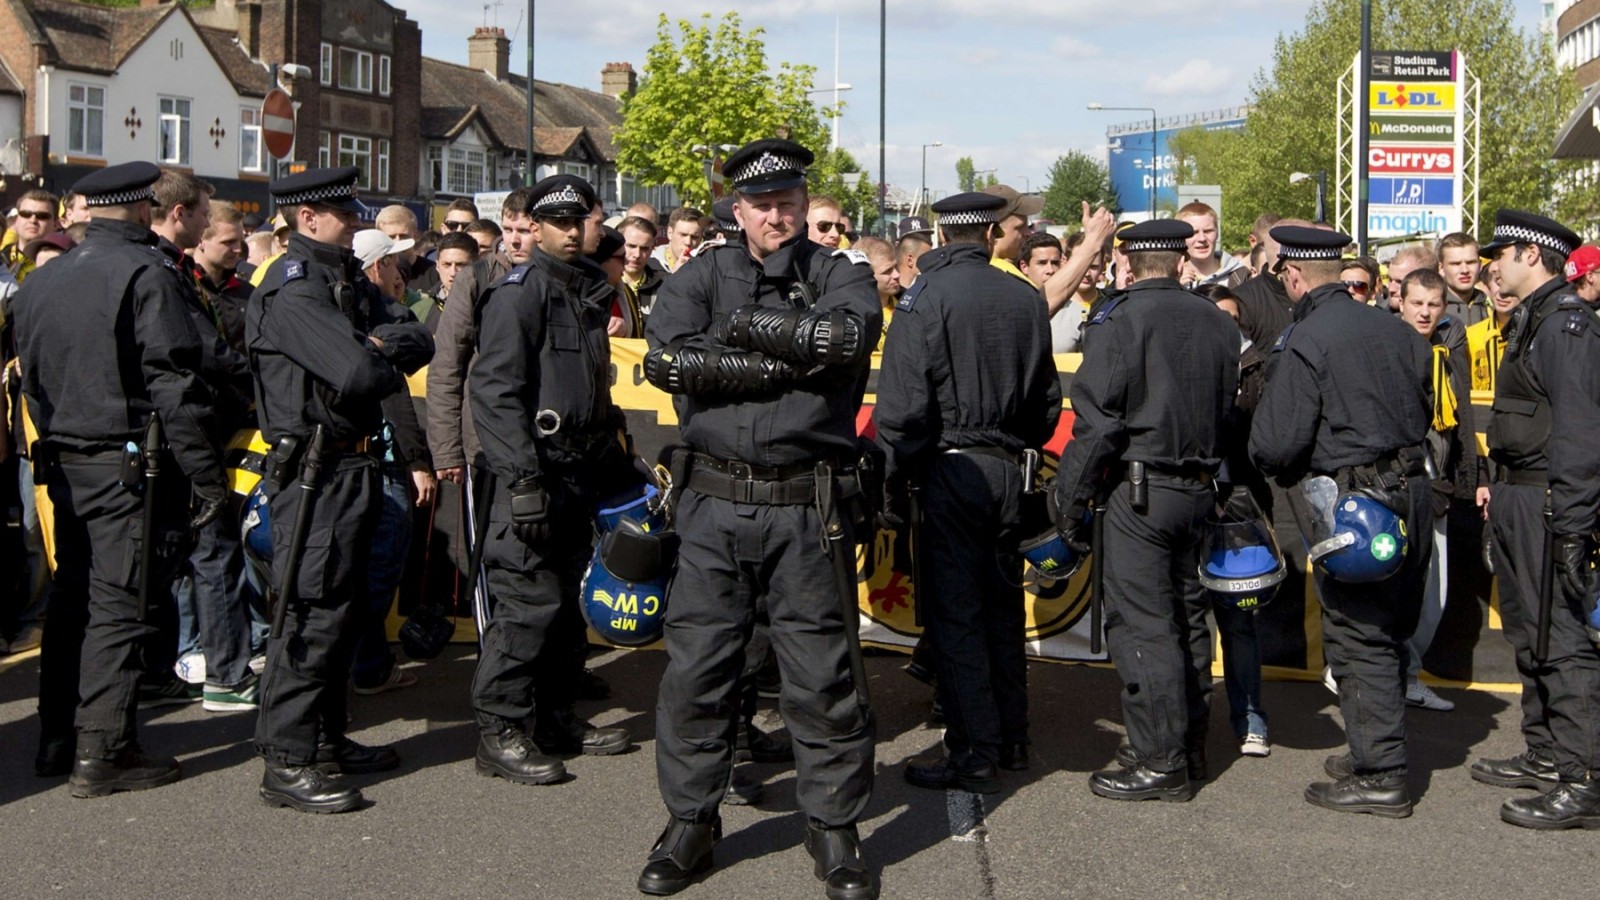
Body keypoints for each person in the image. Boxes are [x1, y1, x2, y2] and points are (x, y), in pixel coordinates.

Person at [640, 138, 881, 899]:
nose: (778, 215)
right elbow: (666, 363)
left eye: (789, 202)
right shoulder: (699, 274)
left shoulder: (841, 273)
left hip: (809, 506)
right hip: (712, 502)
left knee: (822, 675)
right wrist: (789, 355)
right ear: (735, 209)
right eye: (762, 204)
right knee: (699, 672)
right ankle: (690, 820)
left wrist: (733, 336)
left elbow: (846, 338)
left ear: (807, 205)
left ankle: (834, 827)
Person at [14, 161, 228, 790]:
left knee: (73, 603)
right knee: (118, 607)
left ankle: (60, 738)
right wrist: (206, 475)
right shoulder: (146, 273)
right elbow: (174, 382)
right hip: (126, 463)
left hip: (67, 457)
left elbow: (30, 380)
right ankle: (104, 749)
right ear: (142, 209)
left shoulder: (42, 281)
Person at [246, 166, 434, 814]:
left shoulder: (344, 279)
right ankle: (288, 759)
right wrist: (377, 348)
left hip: (352, 468)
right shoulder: (292, 289)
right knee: (311, 615)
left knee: (346, 613)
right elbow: (360, 372)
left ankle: (326, 740)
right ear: (306, 218)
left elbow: (418, 336)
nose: (356, 221)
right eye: (343, 212)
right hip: (314, 473)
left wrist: (378, 342)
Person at [877, 191, 1061, 793]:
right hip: (1010, 466)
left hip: (952, 469)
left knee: (957, 614)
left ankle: (973, 752)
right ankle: (1011, 738)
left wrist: (898, 471)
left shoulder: (923, 299)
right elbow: (1046, 403)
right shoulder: (1023, 297)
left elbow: (902, 411)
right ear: (987, 235)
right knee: (1002, 609)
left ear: (939, 236)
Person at [1250, 225, 1434, 818]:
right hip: (1412, 489)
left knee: (1359, 636)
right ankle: (1368, 751)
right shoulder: (1396, 327)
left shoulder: (1304, 338)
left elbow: (1277, 443)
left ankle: (1380, 772)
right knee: (1387, 627)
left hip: (1357, 502)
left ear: (1295, 277)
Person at [1053, 219, 1238, 803]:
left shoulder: (1119, 317)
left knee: (1142, 627)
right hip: (1198, 488)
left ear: (1128, 264)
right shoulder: (1216, 320)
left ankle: (1159, 760)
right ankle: (1188, 745)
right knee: (1187, 622)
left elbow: (1098, 422)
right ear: (1182, 261)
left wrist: (1069, 502)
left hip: (1141, 489)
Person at [468, 174, 637, 787]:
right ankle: (501, 729)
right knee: (526, 603)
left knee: (564, 601)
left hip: (578, 469)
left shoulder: (585, 290)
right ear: (534, 227)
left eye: (578, 221)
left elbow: (590, 388)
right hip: (534, 472)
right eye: (557, 222)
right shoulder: (521, 292)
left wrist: (620, 458)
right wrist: (521, 481)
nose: (570, 232)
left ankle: (554, 714)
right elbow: (494, 393)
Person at [1475, 210, 1600, 830]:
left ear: (1532, 254)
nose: (1491, 265)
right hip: (1519, 494)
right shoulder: (1536, 319)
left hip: (1549, 499)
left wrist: (1574, 524)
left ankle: (1584, 780)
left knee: (1561, 640)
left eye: (1500, 253)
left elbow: (1580, 431)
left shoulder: (1566, 326)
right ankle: (1548, 751)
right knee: (1530, 633)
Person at [149, 170, 258, 712]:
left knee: (168, 558)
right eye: (207, 219)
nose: (236, 249)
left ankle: (154, 671)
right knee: (213, 557)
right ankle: (227, 675)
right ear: (182, 215)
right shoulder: (163, 274)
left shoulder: (162, 270)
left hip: (183, 434)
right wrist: (255, 377)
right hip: (186, 434)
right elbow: (198, 354)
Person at [1395, 268, 1478, 713]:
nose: (1424, 312)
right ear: (1400, 303)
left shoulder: (1445, 351)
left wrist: (1469, 480)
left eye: (1433, 304)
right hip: (1397, 482)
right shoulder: (1385, 347)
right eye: (1417, 303)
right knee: (1393, 586)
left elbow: (1460, 417)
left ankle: (1405, 674)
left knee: (1435, 592)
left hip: (1437, 482)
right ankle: (1373, 673)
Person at [1177, 201, 1250, 290]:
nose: (1202, 239)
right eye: (1194, 233)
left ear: (1217, 233)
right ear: (1181, 237)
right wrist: (1175, 288)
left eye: (1208, 231)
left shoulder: (1240, 277)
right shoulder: (1170, 276)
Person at [980, 184, 1041, 276]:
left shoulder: (969, 268)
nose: (1028, 233)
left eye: (1027, 226)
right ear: (992, 231)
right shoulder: (1004, 272)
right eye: (1019, 227)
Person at [619, 215, 666, 319]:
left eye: (644, 249)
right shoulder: (605, 283)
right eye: (631, 246)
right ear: (619, 244)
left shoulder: (664, 285)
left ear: (653, 249)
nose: (637, 254)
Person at [1438, 232, 1488, 326]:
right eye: (1456, 264)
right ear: (1441, 268)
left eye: (1470, 262)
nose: (1464, 270)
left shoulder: (1493, 307)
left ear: (1480, 265)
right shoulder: (1431, 309)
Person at [1383, 244, 1436, 313]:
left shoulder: (1450, 322)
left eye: (1400, 282)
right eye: (1390, 280)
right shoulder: (1374, 317)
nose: (1391, 289)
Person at [651, 207, 705, 273]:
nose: (688, 242)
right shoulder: (649, 265)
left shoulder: (706, 268)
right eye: (683, 235)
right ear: (669, 233)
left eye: (694, 237)